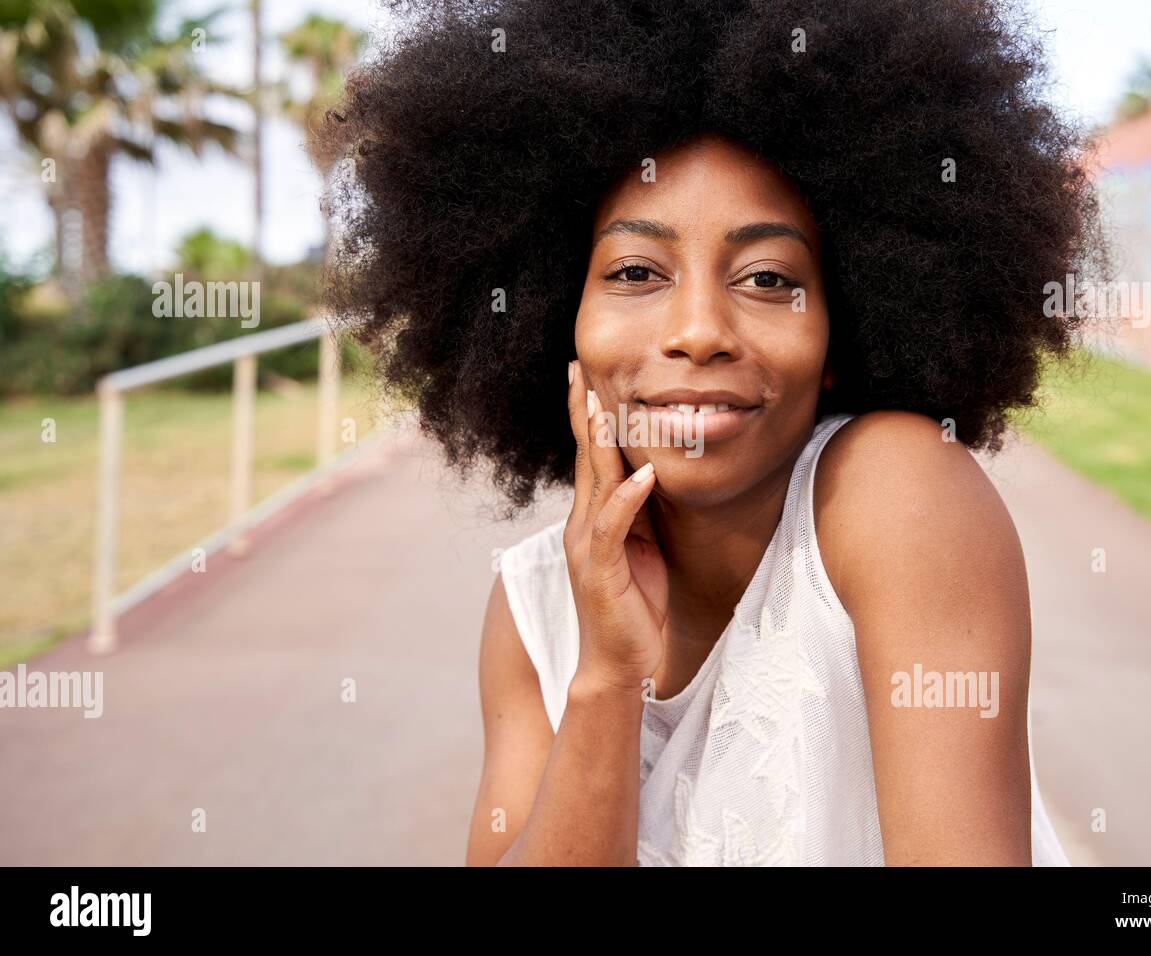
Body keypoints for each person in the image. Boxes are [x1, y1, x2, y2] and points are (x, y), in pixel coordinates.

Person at [318, 0, 1099, 866]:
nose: (698, 329)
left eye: (768, 277)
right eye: (635, 271)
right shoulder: (532, 606)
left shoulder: (896, 493)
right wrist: (607, 680)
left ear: (842, 331)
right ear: (554, 320)